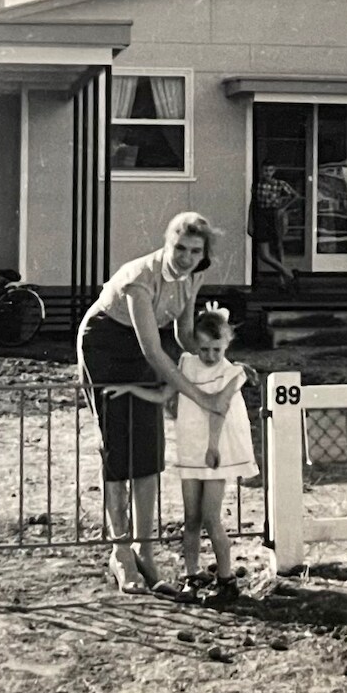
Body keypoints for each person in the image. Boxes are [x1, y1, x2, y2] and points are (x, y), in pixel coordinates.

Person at [76, 212, 234, 597]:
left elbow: (181, 333)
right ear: (167, 244)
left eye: (195, 251)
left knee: (149, 450)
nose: (185, 257)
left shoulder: (194, 275)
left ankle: (144, 551)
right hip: (107, 348)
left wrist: (218, 364)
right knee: (118, 450)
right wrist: (201, 395)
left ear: (203, 254)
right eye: (179, 248)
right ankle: (120, 554)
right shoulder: (139, 279)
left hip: (144, 351)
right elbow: (153, 352)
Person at [113, 303, 258, 605]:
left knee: (211, 518)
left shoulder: (232, 373)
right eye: (204, 349)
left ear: (227, 343)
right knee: (191, 519)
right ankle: (192, 577)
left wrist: (213, 447)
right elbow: (165, 394)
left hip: (215, 451)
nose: (209, 356)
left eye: (216, 349)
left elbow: (219, 411)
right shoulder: (187, 364)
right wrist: (129, 389)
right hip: (192, 449)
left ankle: (226, 580)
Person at [250, 160, 300, 292]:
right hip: (261, 216)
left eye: (270, 170)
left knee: (278, 248)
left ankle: (283, 281)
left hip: (274, 216)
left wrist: (283, 208)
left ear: (274, 171)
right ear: (261, 171)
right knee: (264, 254)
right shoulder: (257, 184)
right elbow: (252, 203)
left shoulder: (280, 184)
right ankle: (288, 273)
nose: (268, 173)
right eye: (265, 170)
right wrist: (251, 222)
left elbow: (295, 196)